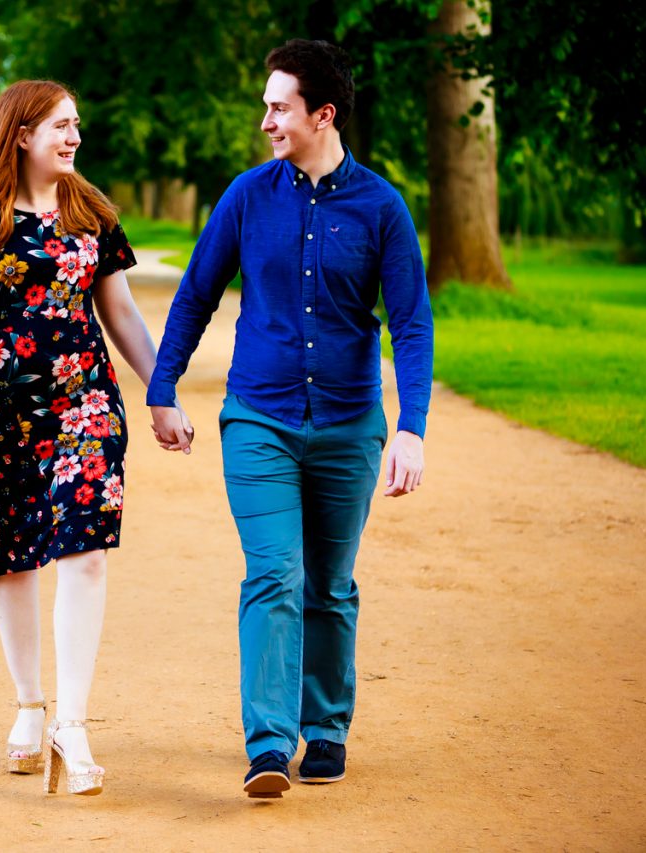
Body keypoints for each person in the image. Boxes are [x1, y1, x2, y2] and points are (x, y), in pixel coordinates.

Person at [146, 40, 433, 798]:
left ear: (322, 114)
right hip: (260, 421)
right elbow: (197, 294)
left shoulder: (381, 207)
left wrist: (411, 427)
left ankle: (327, 726)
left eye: (279, 106)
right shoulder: (247, 196)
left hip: (347, 427)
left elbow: (411, 322)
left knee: (329, 584)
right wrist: (162, 387)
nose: (267, 119)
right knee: (273, 572)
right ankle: (270, 742)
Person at [0, 80, 173, 797]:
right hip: (0, 409)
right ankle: (29, 706)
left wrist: (161, 393)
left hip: (85, 403)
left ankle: (73, 720)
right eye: (61, 126)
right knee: (14, 559)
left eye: (77, 125)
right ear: (21, 133)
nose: (74, 137)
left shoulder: (90, 213)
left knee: (86, 552)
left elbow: (123, 314)